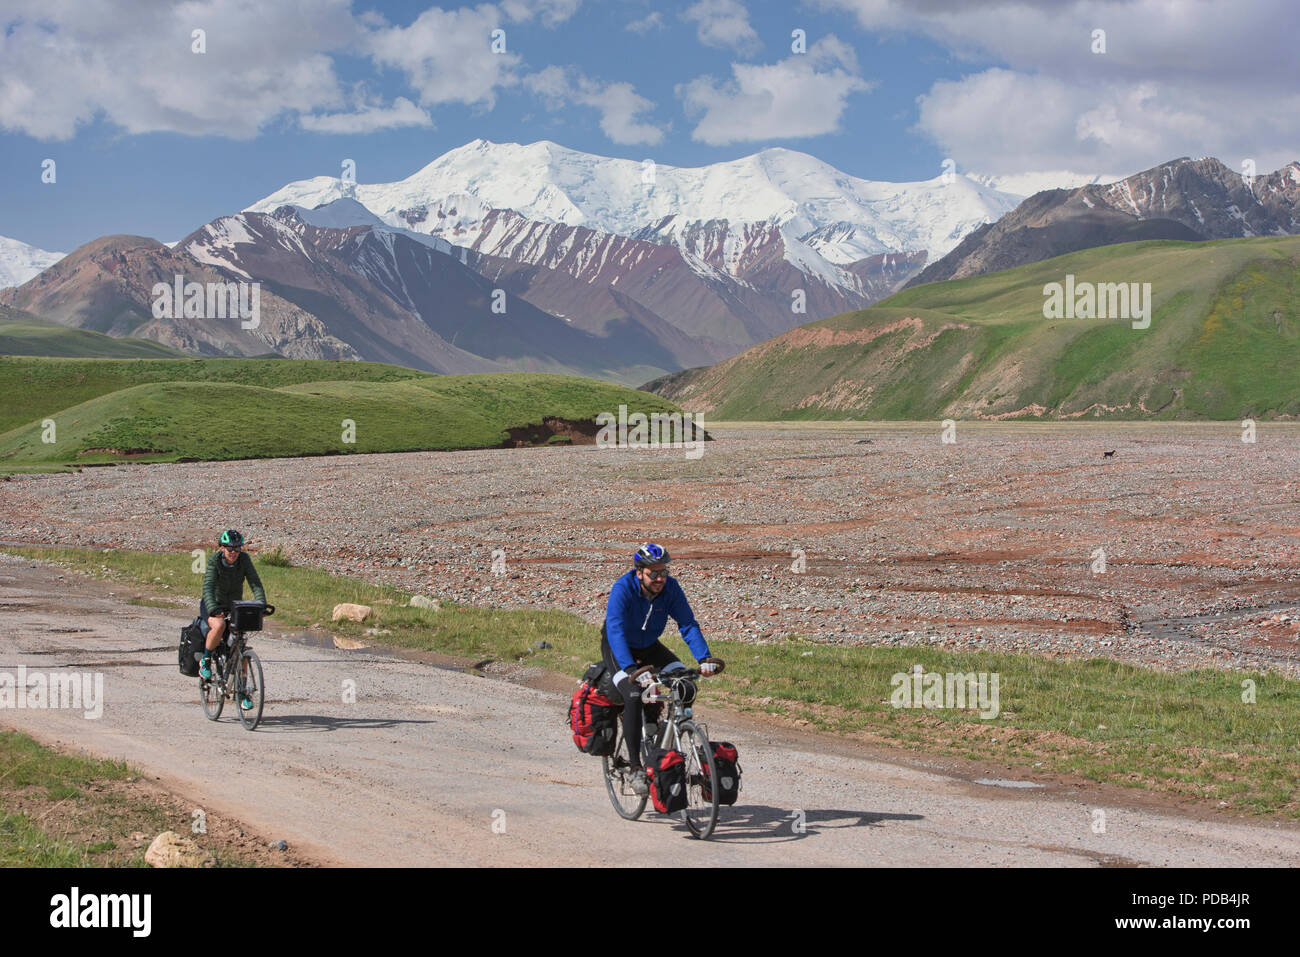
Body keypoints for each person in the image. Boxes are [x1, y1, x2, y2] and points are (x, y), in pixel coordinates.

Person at [602, 543, 723, 795]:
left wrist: (704, 658)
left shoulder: (671, 588)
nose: (660, 578)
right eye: (653, 573)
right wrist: (629, 668)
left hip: (649, 647)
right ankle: (636, 768)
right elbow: (614, 629)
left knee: (685, 685)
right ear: (639, 573)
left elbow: (687, 624)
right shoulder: (622, 588)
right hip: (619, 648)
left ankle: (664, 733)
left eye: (663, 572)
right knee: (633, 694)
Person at [199, 529, 267, 711]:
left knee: (240, 646)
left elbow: (255, 583)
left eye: (237, 548)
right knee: (219, 625)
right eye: (230, 548)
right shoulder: (215, 561)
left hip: (234, 605)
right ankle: (205, 660)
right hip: (212, 604)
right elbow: (208, 587)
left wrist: (261, 605)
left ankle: (243, 691)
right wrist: (213, 608)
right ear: (222, 548)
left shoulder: (244, 560)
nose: (234, 552)